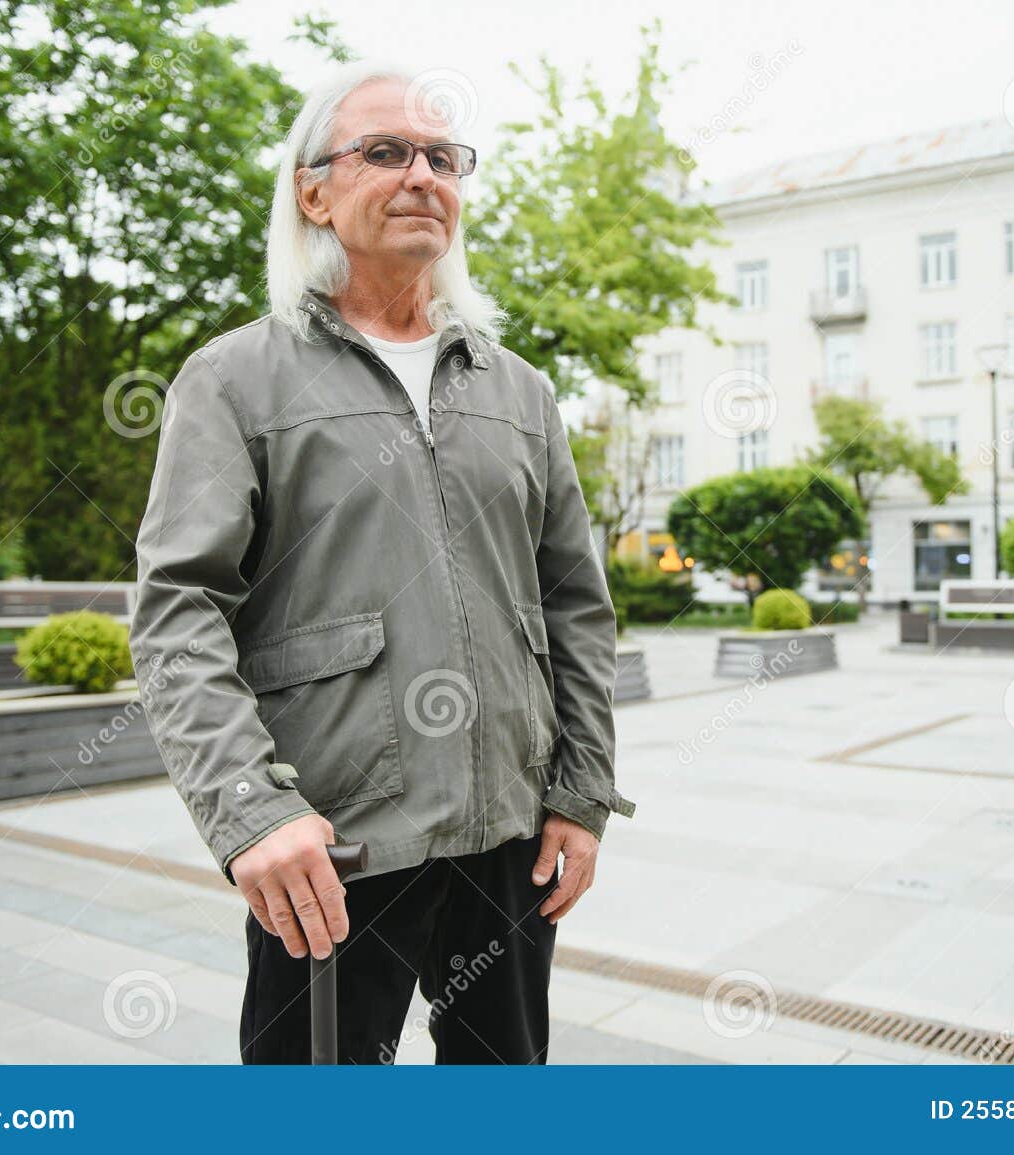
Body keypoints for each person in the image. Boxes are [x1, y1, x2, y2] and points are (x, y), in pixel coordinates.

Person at [128, 61, 635, 1064]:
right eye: (386, 152)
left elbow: (574, 604)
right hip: (330, 845)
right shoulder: (234, 379)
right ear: (313, 191)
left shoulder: (519, 391)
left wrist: (580, 795)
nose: (421, 175)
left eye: (442, 157)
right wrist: (251, 812)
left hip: (510, 842)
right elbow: (179, 610)